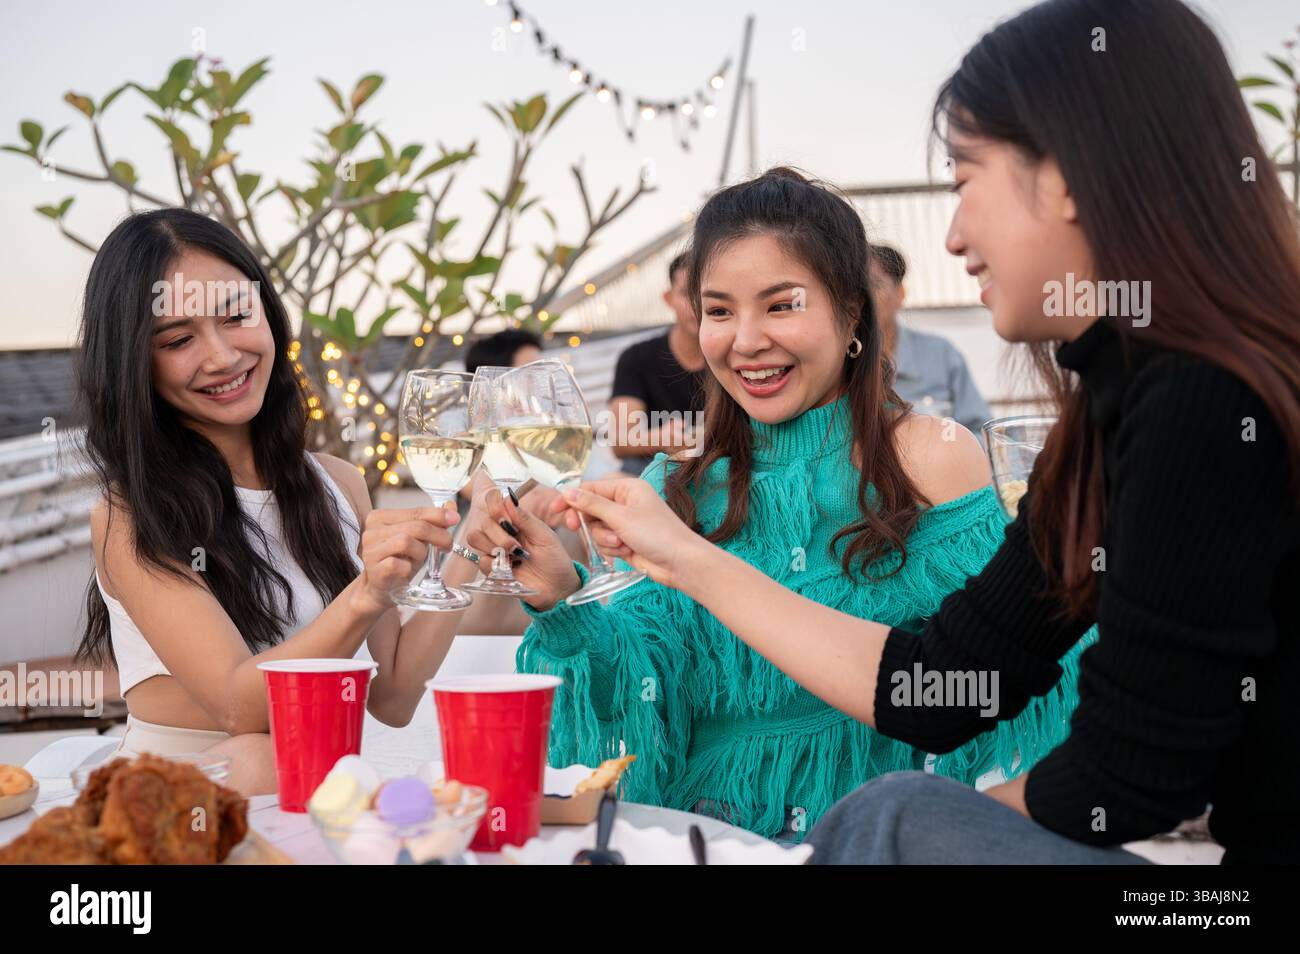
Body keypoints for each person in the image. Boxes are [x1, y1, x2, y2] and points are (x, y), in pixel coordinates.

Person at [551, 0, 1300, 864]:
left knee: (898, 814)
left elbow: (1131, 770)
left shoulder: (1206, 402)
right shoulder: (1111, 415)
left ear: (1061, 175)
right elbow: (936, 689)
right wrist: (681, 558)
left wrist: (892, 835)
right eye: (719, 310)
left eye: (964, 181)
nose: (952, 235)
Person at [458, 167, 1094, 842]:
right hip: (689, 843)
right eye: (720, 310)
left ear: (852, 311)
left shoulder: (931, 457)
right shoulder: (675, 484)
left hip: (863, 843)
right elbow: (639, 716)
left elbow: (1033, 671)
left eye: (781, 304)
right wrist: (564, 597)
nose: (746, 340)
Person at [75, 209, 467, 794]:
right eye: (179, 339)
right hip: (188, 805)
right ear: (135, 364)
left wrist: (476, 543)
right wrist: (365, 595)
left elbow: (393, 695)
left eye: (236, 315)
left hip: (320, 791)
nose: (223, 356)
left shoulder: (337, 482)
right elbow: (240, 707)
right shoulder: (129, 513)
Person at [870, 244, 991, 437]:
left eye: (874, 284)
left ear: (900, 294)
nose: (865, 296)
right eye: (856, 286)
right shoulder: (836, 365)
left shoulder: (940, 355)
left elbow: (979, 432)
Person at [608, 252, 707, 474]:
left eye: (706, 293)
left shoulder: (736, 351)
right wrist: (662, 437)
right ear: (668, 299)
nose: (697, 304)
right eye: (687, 293)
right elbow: (620, 440)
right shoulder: (636, 357)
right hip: (656, 464)